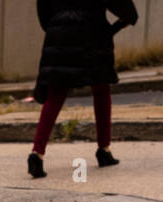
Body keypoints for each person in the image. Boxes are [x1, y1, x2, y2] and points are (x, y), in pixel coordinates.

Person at [28, 0, 138, 179]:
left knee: (56, 92)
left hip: (59, 33)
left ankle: (37, 154)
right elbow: (125, 9)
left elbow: (43, 12)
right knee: (101, 88)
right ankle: (104, 150)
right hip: (93, 34)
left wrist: (57, 26)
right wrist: (114, 28)